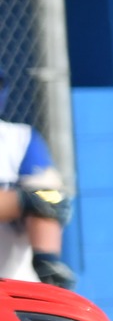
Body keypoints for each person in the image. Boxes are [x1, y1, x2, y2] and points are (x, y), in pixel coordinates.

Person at [0, 86, 74, 287]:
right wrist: (21, 201)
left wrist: (47, 262)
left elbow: (47, 200)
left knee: (45, 200)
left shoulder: (19, 138)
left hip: (15, 286)